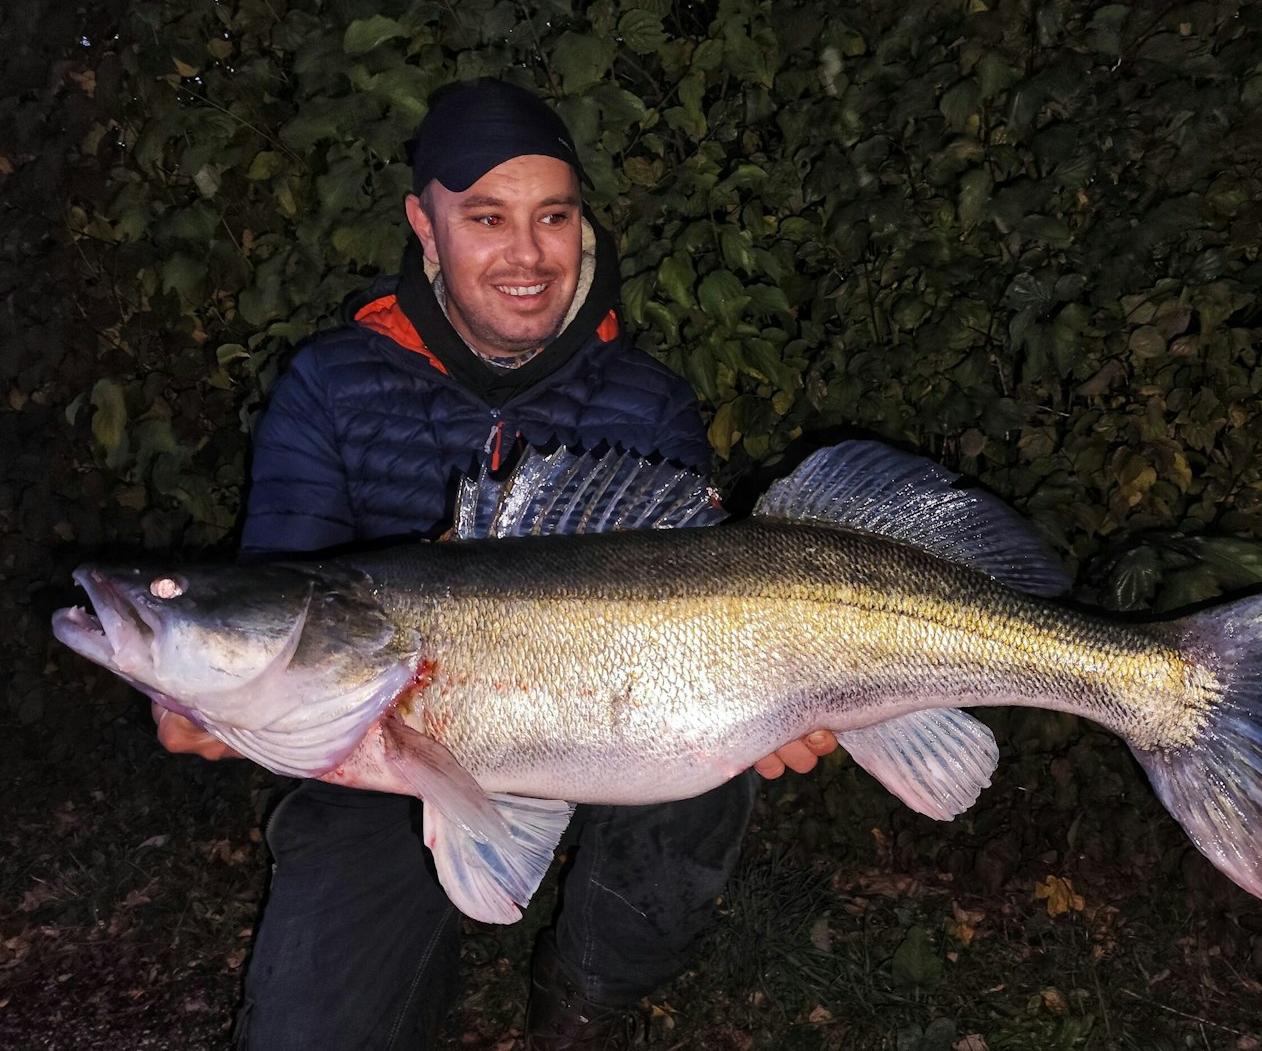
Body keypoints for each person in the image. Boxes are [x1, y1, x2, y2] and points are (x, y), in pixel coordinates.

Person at [153, 78, 838, 1050]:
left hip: (615, 722)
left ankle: (587, 993)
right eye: (486, 218)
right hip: (390, 752)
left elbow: (708, 592)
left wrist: (793, 696)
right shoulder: (330, 385)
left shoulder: (646, 401)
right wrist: (222, 690)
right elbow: (282, 589)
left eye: (553, 216)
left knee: (713, 762)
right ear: (425, 229)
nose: (528, 254)